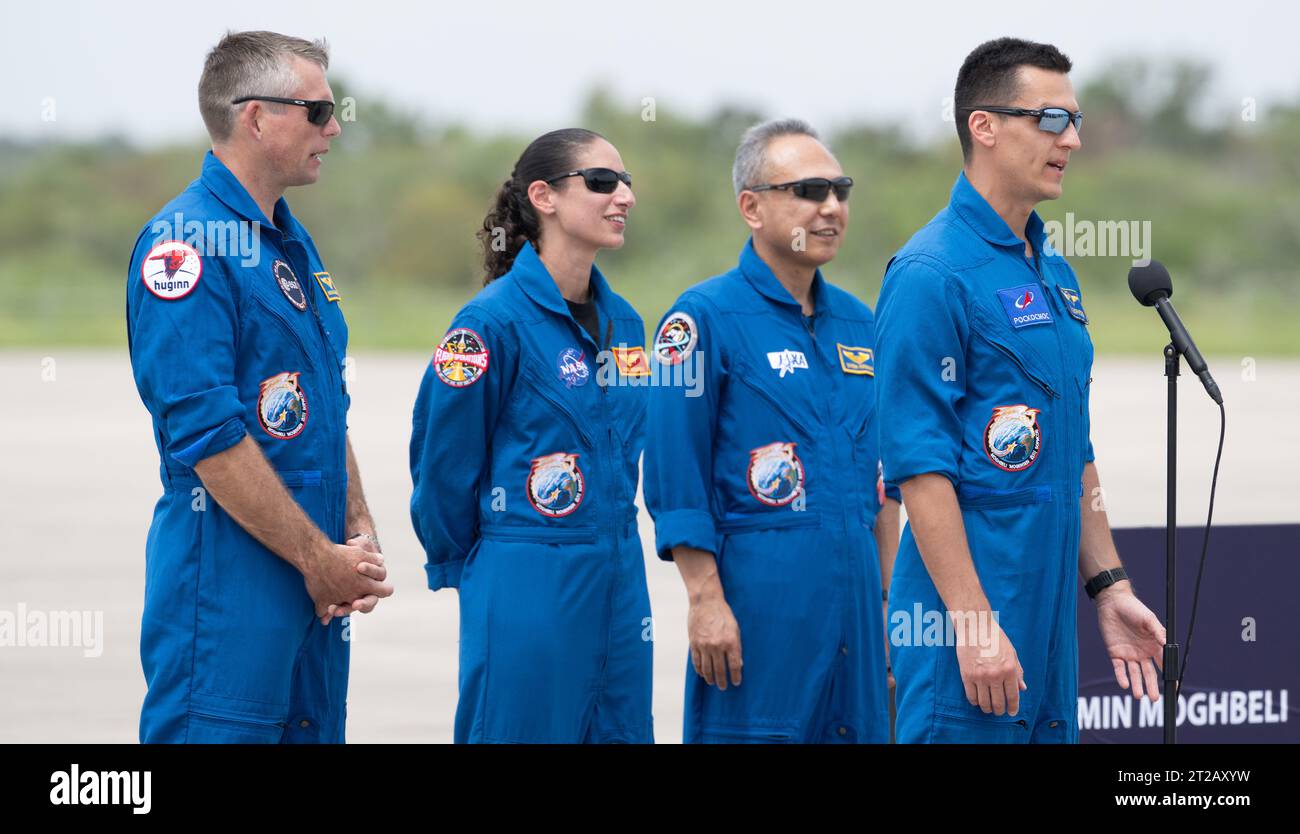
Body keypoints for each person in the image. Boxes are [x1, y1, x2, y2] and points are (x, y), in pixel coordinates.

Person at [875, 37, 1165, 743]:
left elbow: (1073, 445)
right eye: (1051, 119)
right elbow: (919, 468)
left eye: (1076, 119)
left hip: (1046, 615)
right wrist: (974, 627)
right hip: (968, 616)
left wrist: (1109, 584)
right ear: (985, 126)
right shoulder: (929, 273)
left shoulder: (1055, 272)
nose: (1071, 138)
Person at [127, 31, 392, 743]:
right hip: (229, 595)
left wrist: (355, 527)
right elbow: (208, 437)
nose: (334, 128)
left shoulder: (288, 242)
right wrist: (318, 559)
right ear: (255, 116)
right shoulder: (184, 246)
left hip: (312, 589)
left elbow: (319, 406)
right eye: (318, 111)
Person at [644, 119, 900, 743]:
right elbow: (677, 478)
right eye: (809, 191)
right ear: (752, 207)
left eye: (840, 189)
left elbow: (882, 484)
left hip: (859, 611)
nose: (832, 207)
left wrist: (893, 612)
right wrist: (705, 601)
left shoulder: (861, 324)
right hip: (759, 609)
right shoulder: (701, 320)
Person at [409, 128, 653, 743]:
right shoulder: (490, 323)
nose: (622, 195)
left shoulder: (626, 324)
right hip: (527, 574)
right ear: (543, 196)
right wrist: (486, 564)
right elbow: (442, 459)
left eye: (626, 182)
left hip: (620, 578)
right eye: (602, 182)